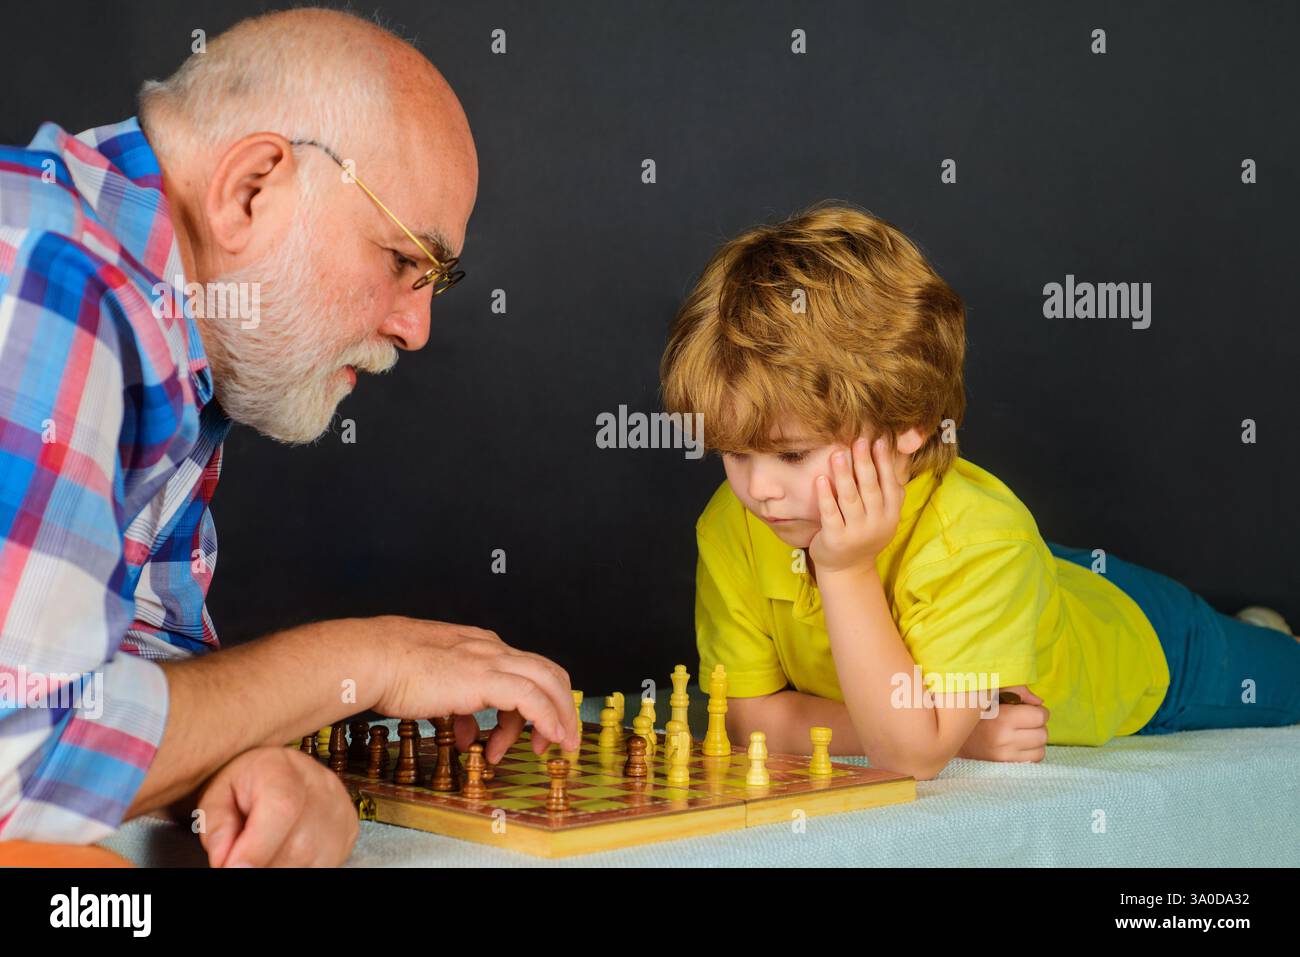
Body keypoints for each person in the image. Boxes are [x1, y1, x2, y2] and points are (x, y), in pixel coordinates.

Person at [0, 8, 579, 867]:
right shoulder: (50, 269)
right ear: (253, 188)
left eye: (436, 282)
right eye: (400, 259)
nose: (417, 328)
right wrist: (369, 657)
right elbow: (29, 765)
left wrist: (261, 768)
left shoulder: (181, 350)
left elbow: (137, 680)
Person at [659, 202, 1300, 781]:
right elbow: (746, 722)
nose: (759, 490)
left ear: (908, 424)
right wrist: (961, 734)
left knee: (1282, 676)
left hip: (1141, 643)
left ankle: (1260, 636)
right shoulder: (733, 523)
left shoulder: (984, 538)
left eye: (792, 454)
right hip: (1019, 580)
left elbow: (910, 753)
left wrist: (847, 568)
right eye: (734, 453)